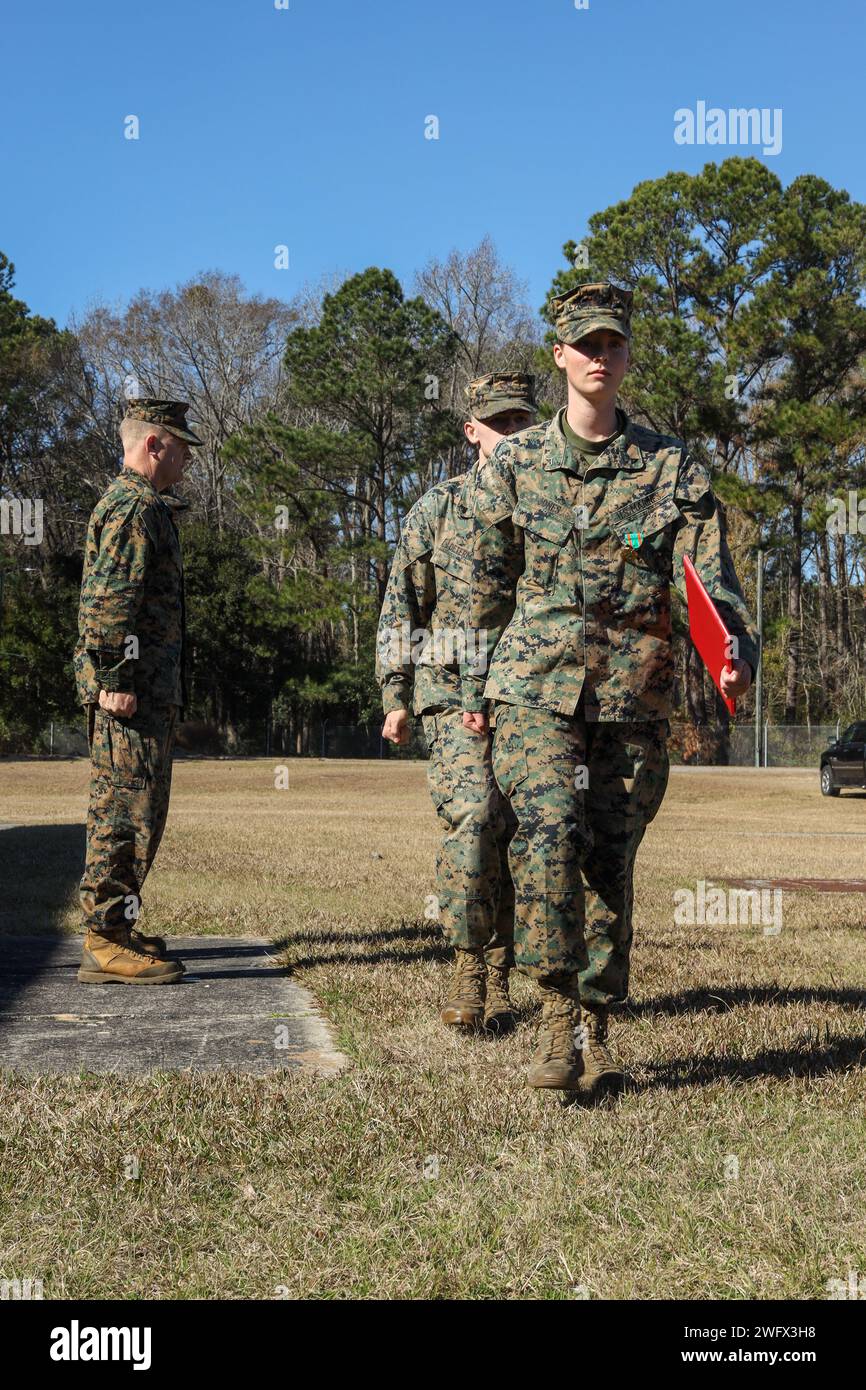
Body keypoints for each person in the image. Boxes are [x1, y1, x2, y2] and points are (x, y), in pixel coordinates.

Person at [460, 284, 759, 1095]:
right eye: (584, 342)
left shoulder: (672, 469)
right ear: (558, 354)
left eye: (613, 344)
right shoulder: (514, 466)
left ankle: (598, 1015)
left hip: (633, 698)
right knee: (549, 834)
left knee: (608, 861)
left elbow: (710, 584)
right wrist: (469, 684)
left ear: (626, 357)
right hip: (533, 691)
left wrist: (732, 650)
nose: (599, 356)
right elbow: (483, 590)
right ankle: (556, 1023)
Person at [377, 374, 537, 1031]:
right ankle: (471, 970)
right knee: (473, 819)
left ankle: (504, 975)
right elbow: (401, 602)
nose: (510, 436)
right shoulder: (435, 510)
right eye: (498, 424)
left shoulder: (548, 512)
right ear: (472, 431)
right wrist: (394, 691)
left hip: (528, 696)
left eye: (522, 424)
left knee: (522, 834)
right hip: (447, 689)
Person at [73, 398, 202, 984]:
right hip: (132, 694)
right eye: (180, 448)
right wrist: (115, 682)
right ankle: (103, 939)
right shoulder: (132, 508)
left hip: (147, 690)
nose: (185, 461)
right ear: (154, 443)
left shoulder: (144, 506)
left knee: (139, 808)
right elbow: (108, 604)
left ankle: (118, 924)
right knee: (125, 812)